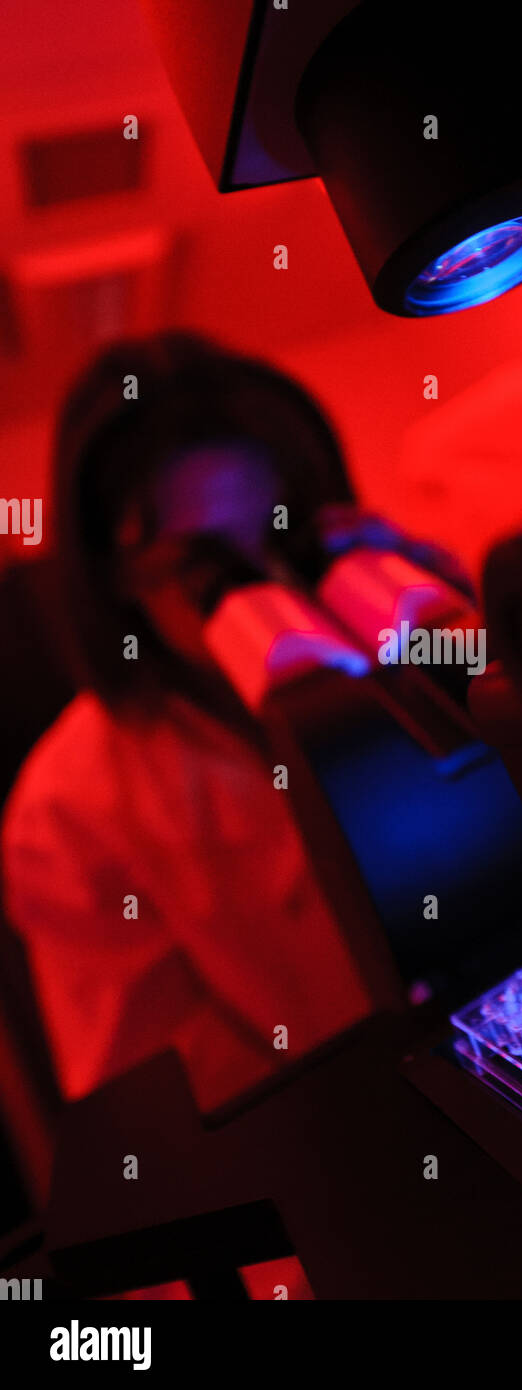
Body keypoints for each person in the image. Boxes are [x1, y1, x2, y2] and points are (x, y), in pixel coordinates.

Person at [1, 333, 471, 1200]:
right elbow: (168, 1132)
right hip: (354, 1179)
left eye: (286, 538)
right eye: (204, 567)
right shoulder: (70, 806)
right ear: (117, 584)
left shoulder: (409, 649)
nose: (264, 583)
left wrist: (477, 648)